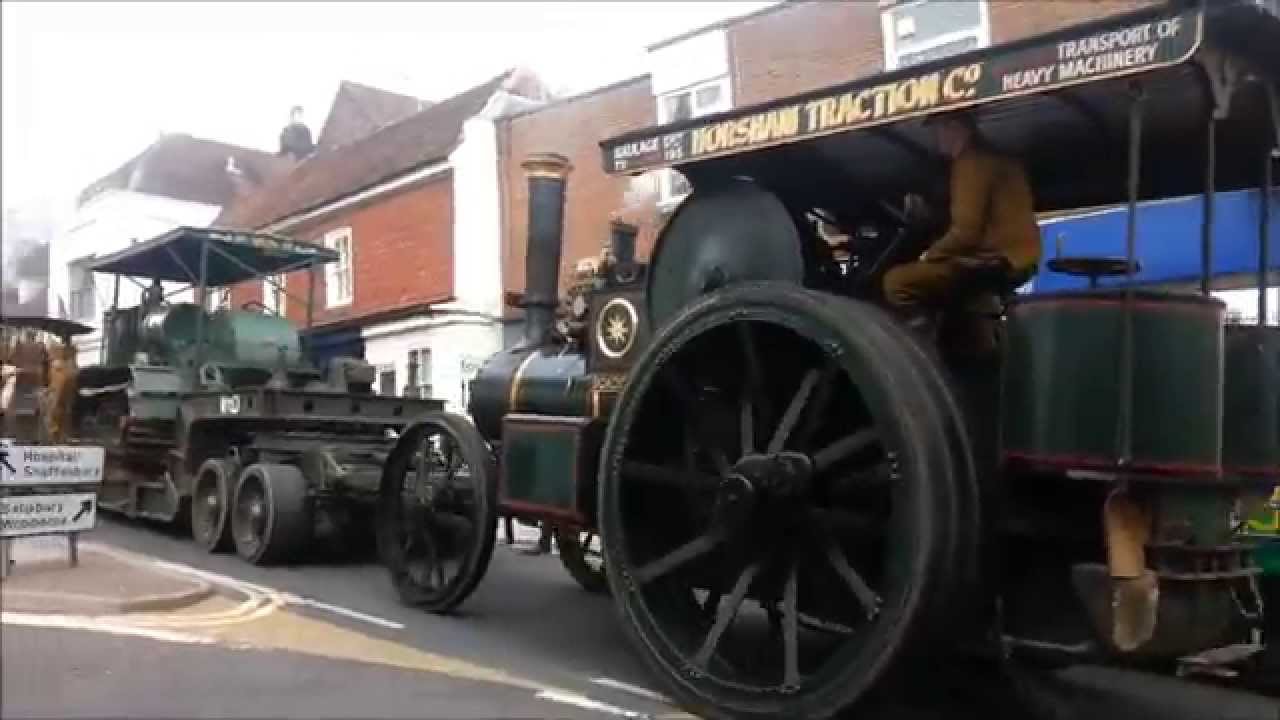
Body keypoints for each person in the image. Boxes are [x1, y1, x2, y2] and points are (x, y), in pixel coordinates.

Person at [882, 110, 1041, 325]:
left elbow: (965, 233)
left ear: (956, 128)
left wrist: (930, 254)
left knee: (896, 282)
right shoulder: (998, 158)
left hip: (996, 262)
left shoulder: (971, 163)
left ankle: (922, 343)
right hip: (1019, 258)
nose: (937, 138)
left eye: (939, 130)